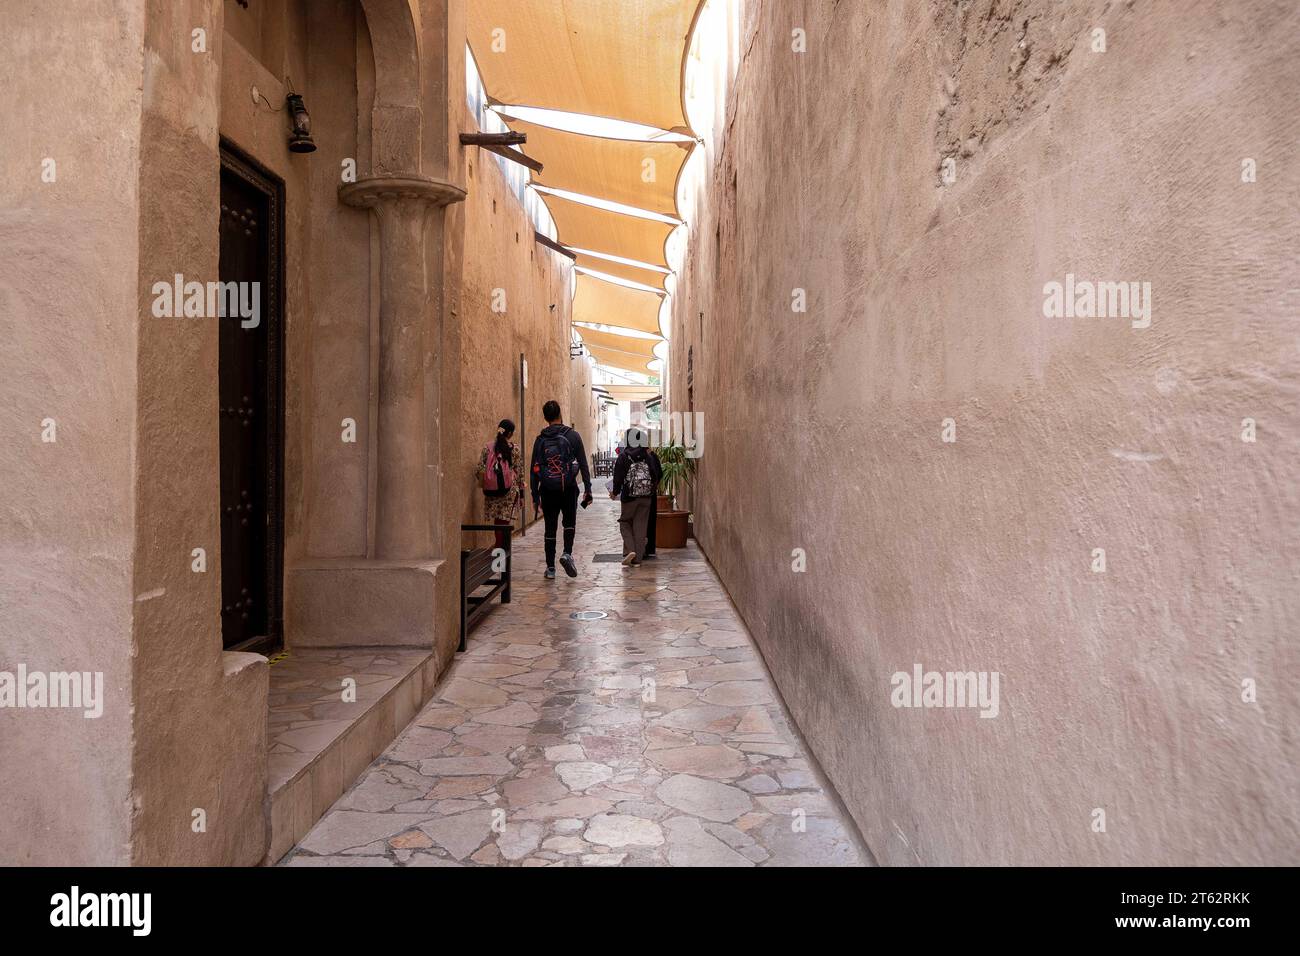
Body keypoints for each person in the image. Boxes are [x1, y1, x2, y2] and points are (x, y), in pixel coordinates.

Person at [529, 400, 593, 579]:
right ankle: (567, 553)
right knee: (569, 523)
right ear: (560, 413)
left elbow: (533, 469)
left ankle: (550, 568)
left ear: (545, 417)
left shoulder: (540, 439)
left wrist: (535, 495)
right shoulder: (573, 436)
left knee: (550, 528)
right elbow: (583, 463)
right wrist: (588, 488)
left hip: (548, 490)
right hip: (569, 488)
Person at [610, 426, 660, 566]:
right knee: (641, 526)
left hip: (629, 497)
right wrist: (650, 491)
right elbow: (655, 475)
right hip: (646, 497)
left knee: (624, 522)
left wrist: (614, 493)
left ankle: (631, 550)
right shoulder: (647, 455)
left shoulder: (624, 456)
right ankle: (637, 560)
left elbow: (617, 478)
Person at [476, 419, 522, 551]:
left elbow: (479, 469)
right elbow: (519, 472)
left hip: (492, 490)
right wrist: (521, 493)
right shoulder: (515, 449)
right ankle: (502, 549)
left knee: (497, 520)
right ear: (510, 433)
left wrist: (489, 481)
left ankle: (498, 545)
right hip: (509, 490)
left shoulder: (488, 447)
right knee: (505, 520)